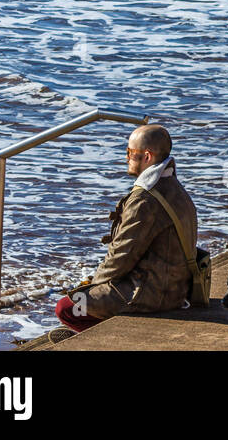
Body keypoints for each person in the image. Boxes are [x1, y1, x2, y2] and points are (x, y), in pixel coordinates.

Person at [54, 124, 198, 334]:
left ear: (147, 156)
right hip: (176, 287)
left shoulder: (145, 199)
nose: (126, 157)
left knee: (68, 307)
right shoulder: (174, 186)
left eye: (130, 152)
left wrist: (93, 285)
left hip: (154, 293)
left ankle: (99, 341)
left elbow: (121, 256)